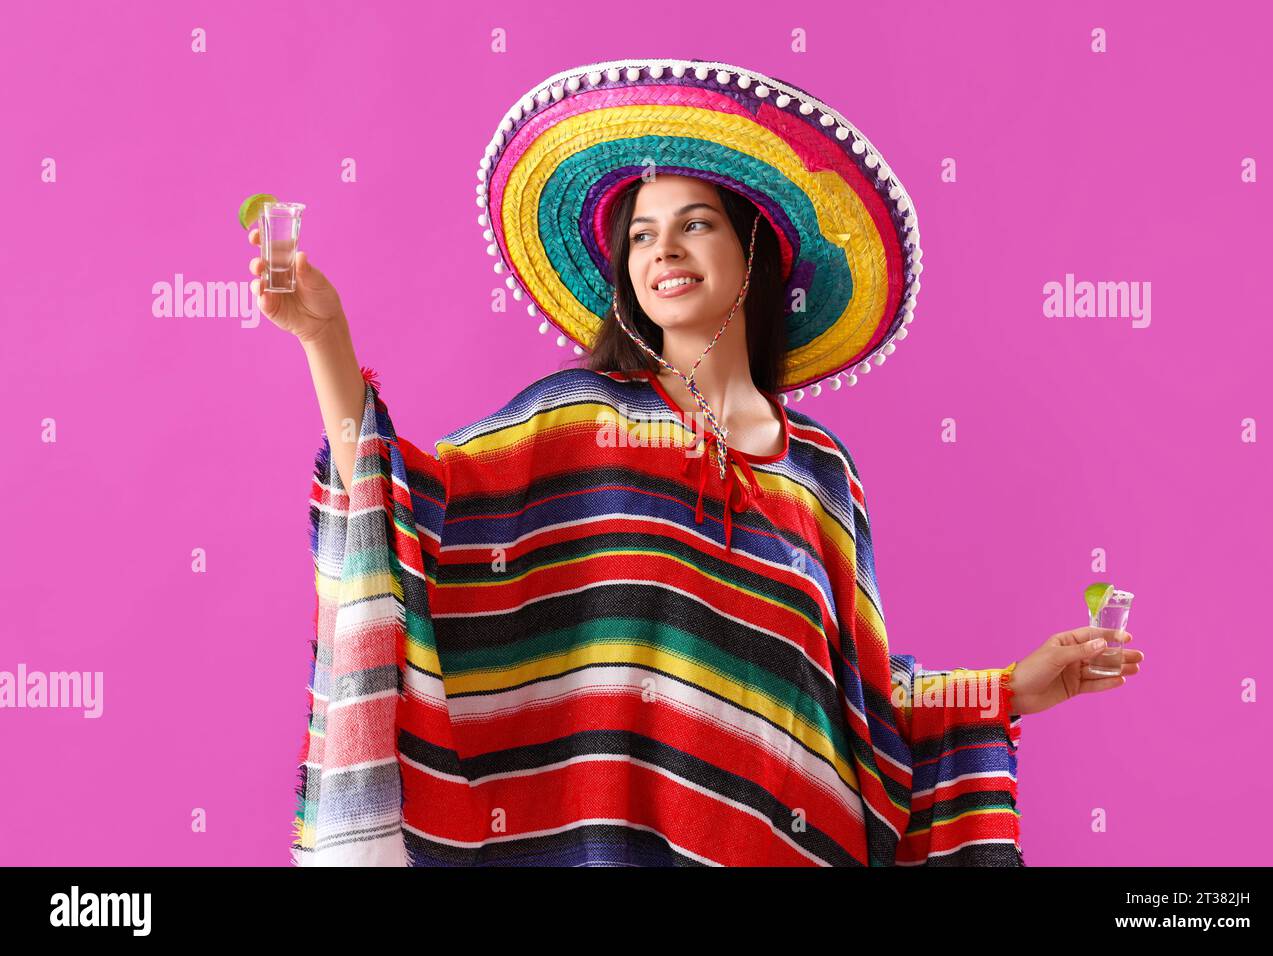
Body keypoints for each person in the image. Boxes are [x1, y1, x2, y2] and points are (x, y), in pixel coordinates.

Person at [257, 59, 1143, 867]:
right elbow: (401, 513)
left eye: (695, 224)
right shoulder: (578, 419)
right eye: (640, 235)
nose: (663, 251)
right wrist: (325, 341)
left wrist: (1007, 691)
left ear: (756, 250)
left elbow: (860, 706)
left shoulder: (824, 479)